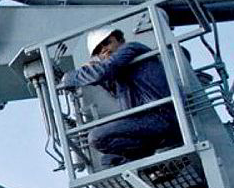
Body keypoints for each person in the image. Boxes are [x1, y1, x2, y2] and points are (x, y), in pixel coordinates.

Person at [59, 30, 183, 168]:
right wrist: (94, 75)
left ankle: (151, 159)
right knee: (108, 161)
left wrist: (69, 78)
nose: (104, 49)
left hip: (161, 117)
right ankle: (152, 166)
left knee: (96, 137)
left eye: (107, 43)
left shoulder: (132, 48)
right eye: (99, 50)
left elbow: (103, 72)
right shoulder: (121, 73)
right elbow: (108, 80)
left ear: (120, 41)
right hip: (146, 125)